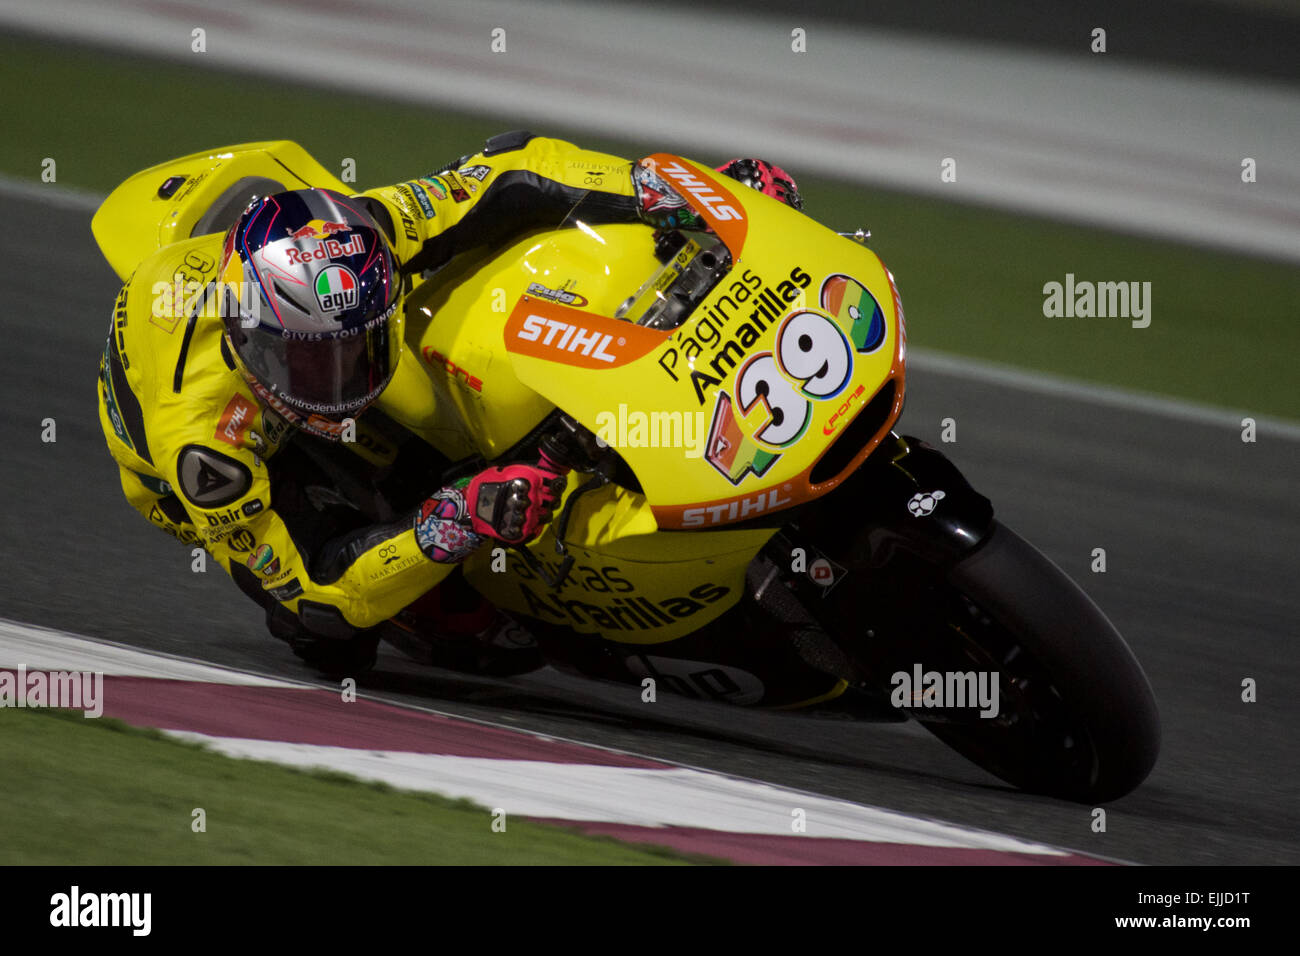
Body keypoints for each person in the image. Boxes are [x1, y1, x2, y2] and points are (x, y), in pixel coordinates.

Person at [97, 131, 802, 676]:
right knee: (338, 637)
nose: (343, 380)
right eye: (312, 363)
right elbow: (317, 587)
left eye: (357, 348)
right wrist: (455, 521)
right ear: (253, 338)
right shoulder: (203, 451)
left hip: (287, 283)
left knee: (433, 393)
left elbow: (509, 171)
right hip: (191, 460)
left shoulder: (368, 229)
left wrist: (665, 191)